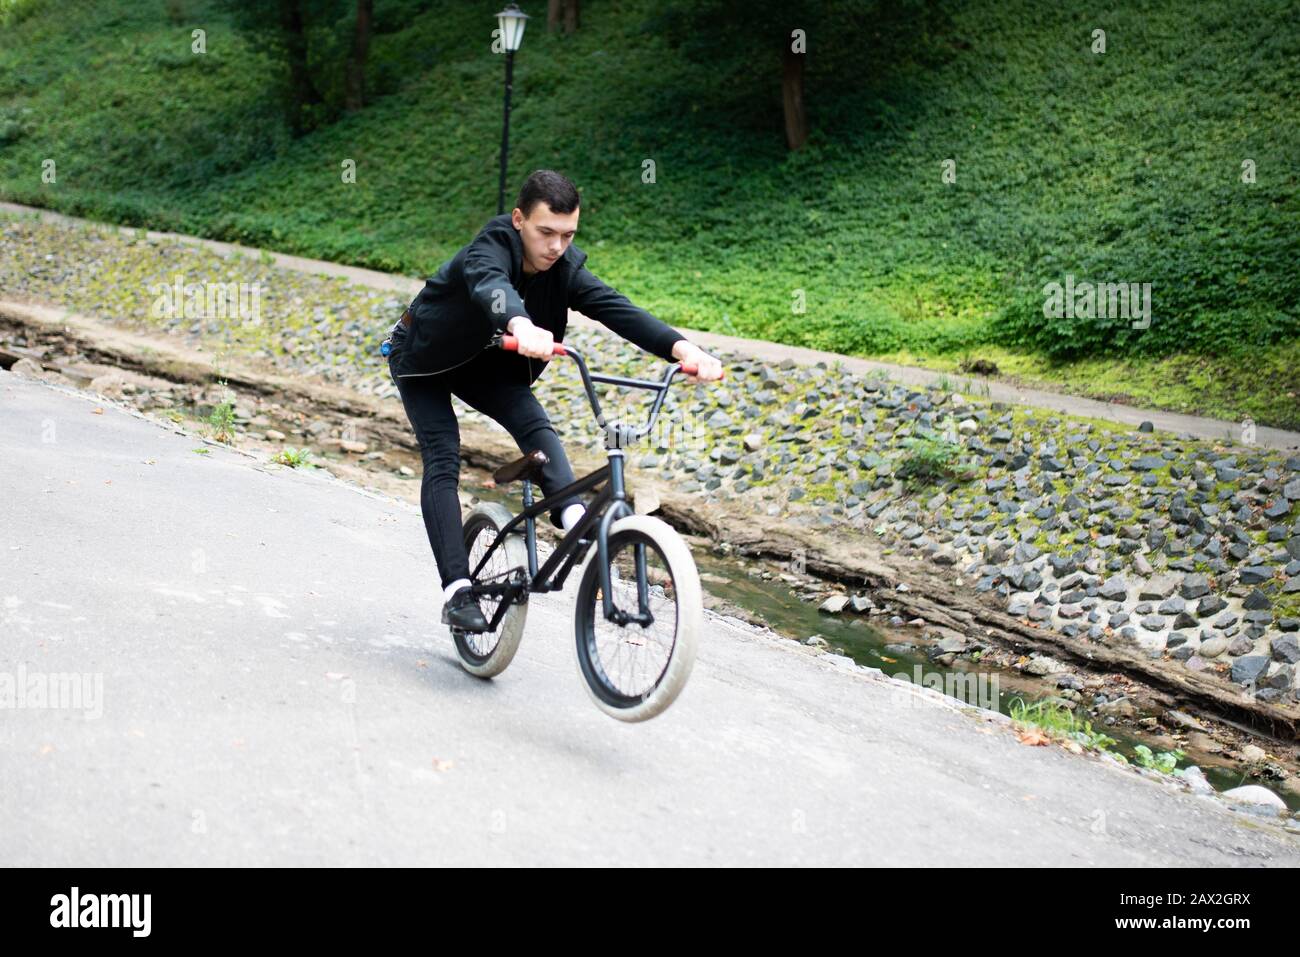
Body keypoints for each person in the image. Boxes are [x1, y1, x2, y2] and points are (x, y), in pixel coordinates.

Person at [386, 169, 723, 632]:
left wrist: (684, 349)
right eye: (546, 232)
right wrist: (522, 326)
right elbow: (492, 288)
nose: (556, 246)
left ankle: (574, 517)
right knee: (443, 458)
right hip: (425, 356)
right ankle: (458, 591)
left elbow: (616, 308)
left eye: (568, 235)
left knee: (537, 427)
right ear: (520, 219)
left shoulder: (564, 269)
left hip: (487, 366)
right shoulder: (490, 247)